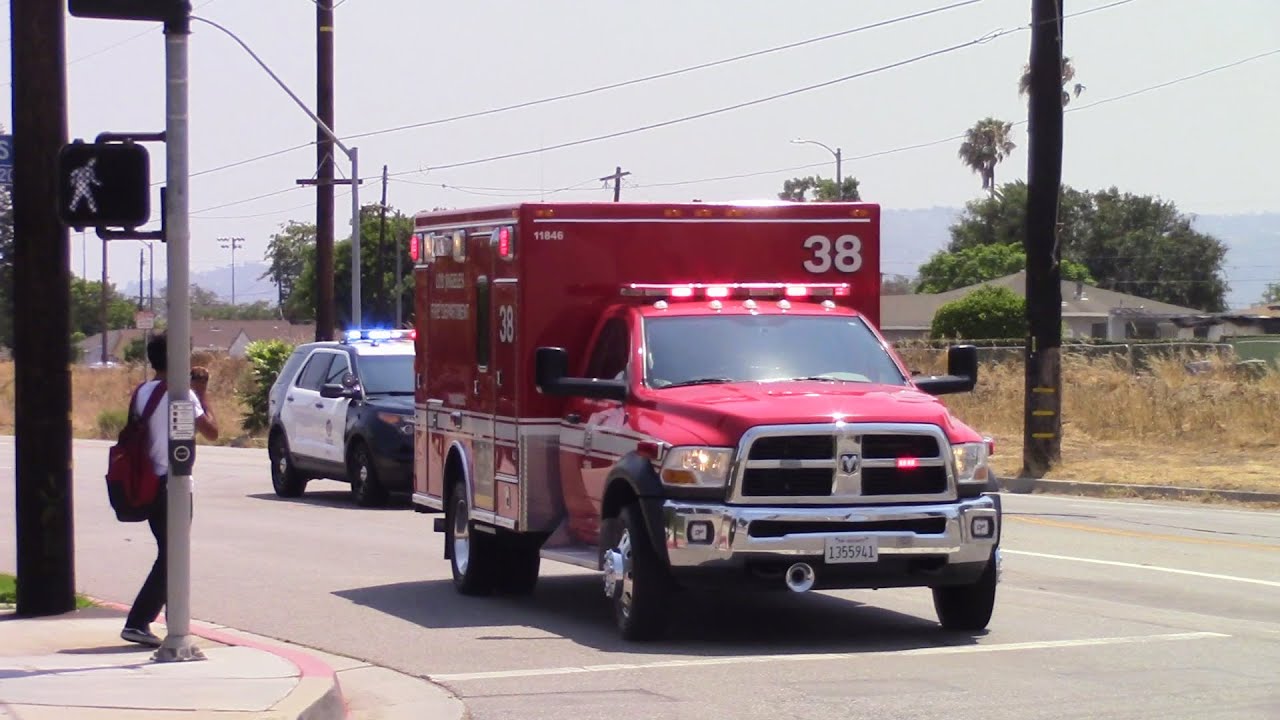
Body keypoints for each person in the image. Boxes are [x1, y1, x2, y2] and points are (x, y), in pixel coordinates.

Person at [122, 333, 219, 647]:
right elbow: (213, 432)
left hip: (147, 482)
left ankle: (151, 619)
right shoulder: (183, 395)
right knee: (173, 556)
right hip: (172, 485)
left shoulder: (142, 392)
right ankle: (138, 621)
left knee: (169, 554)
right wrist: (202, 394)